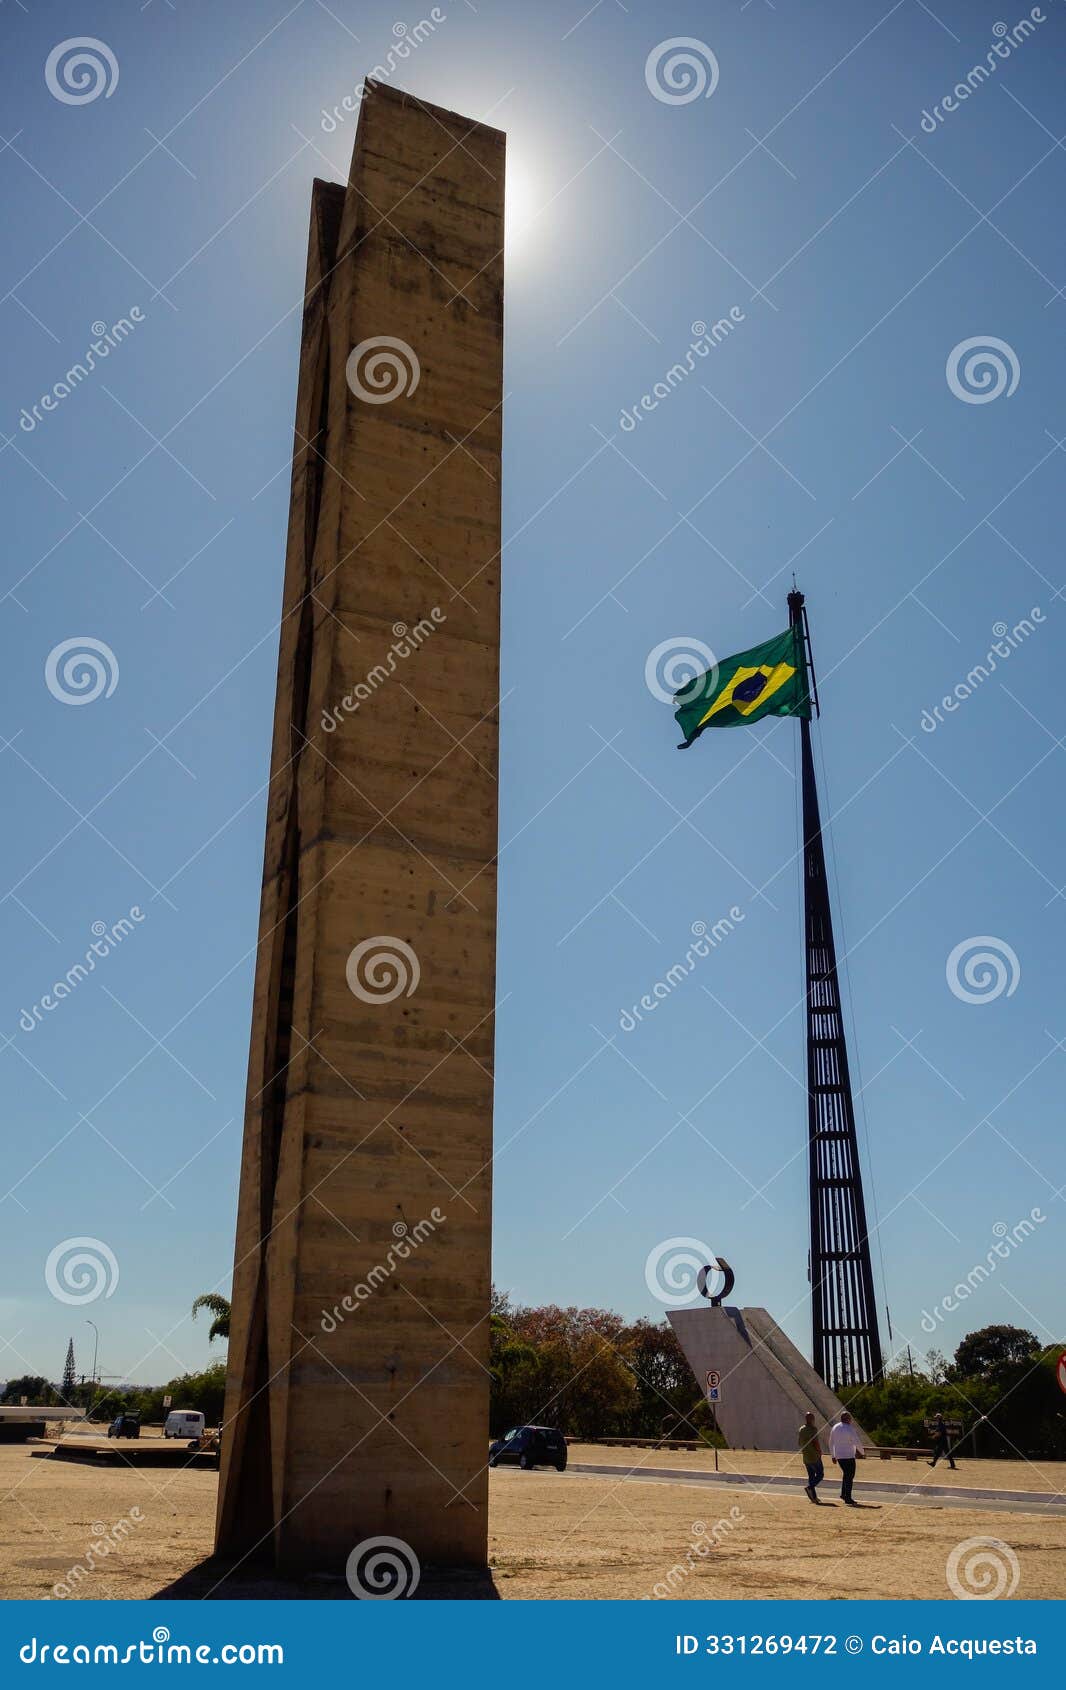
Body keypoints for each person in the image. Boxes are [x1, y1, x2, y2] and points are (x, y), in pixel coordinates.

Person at [828, 1410, 865, 1505]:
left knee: (846, 1474)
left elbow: (831, 1442)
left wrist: (833, 1455)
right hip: (849, 1456)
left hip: (839, 1456)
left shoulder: (835, 1427)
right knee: (850, 1476)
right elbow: (857, 1441)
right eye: (850, 1418)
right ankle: (847, 1497)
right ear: (848, 1419)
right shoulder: (849, 1428)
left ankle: (843, 1494)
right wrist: (862, 1452)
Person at [798, 1410, 824, 1504]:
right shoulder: (813, 1429)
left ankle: (813, 1497)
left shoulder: (801, 1429)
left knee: (811, 1476)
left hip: (806, 1456)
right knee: (820, 1474)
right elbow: (815, 1442)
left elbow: (799, 1442)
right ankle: (809, 1488)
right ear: (812, 1419)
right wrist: (820, 1451)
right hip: (814, 1456)